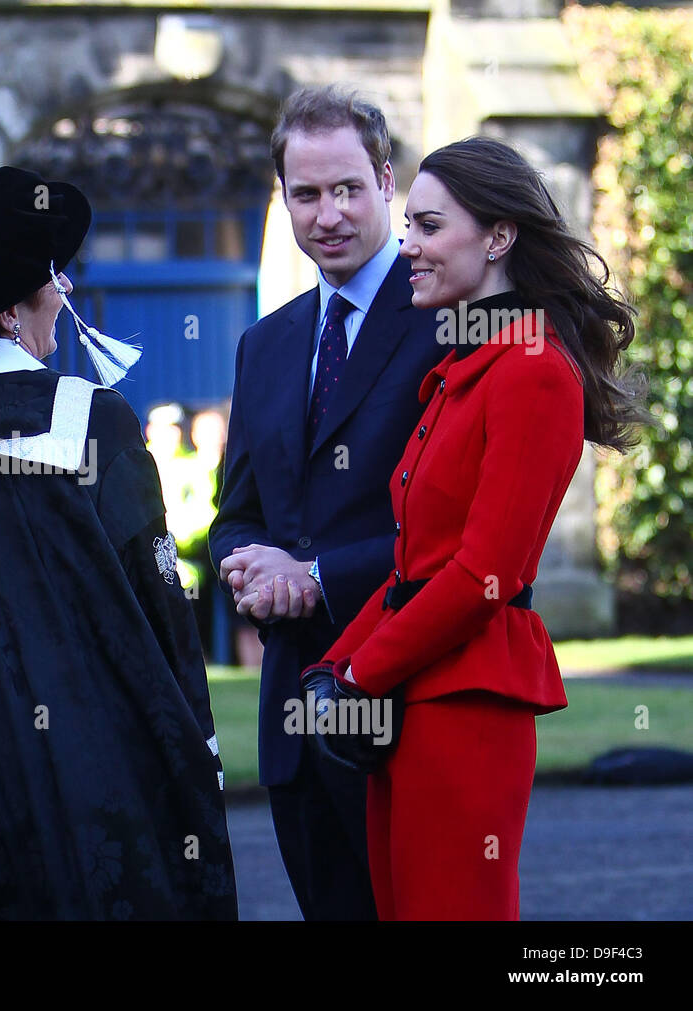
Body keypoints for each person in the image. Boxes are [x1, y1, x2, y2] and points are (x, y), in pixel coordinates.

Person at [0, 166, 237, 920]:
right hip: (99, 777)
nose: (63, 289)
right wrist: (196, 747)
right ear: (7, 311)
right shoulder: (94, 424)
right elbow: (160, 608)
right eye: (51, 276)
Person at [305, 136, 646, 919]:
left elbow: (484, 574)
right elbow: (413, 567)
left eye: (428, 226)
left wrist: (359, 676)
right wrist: (335, 662)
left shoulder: (532, 371)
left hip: (466, 704)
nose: (408, 246)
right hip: (415, 694)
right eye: (409, 226)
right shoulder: (466, 366)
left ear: (498, 238)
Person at [208, 86, 449, 920]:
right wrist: (250, 568)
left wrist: (315, 577)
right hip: (295, 723)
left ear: (386, 181)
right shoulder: (264, 343)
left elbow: (458, 535)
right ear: (285, 199)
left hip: (410, 708)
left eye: (348, 188)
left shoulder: (448, 320)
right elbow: (235, 515)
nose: (329, 214)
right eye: (307, 194)